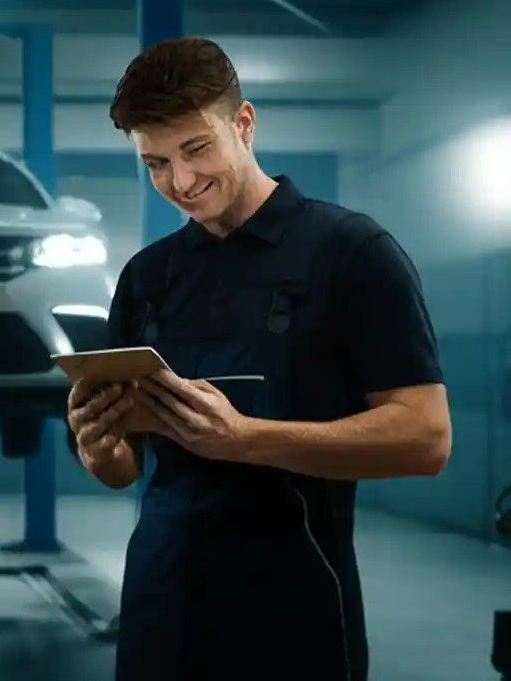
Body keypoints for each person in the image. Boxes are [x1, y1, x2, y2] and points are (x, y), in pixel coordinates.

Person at [68, 37, 452, 681]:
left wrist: (246, 439)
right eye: (155, 163)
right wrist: (99, 446)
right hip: (161, 605)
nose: (181, 182)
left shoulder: (351, 252)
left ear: (244, 124)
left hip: (296, 605)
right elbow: (124, 469)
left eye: (196, 149)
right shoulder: (147, 276)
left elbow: (426, 438)